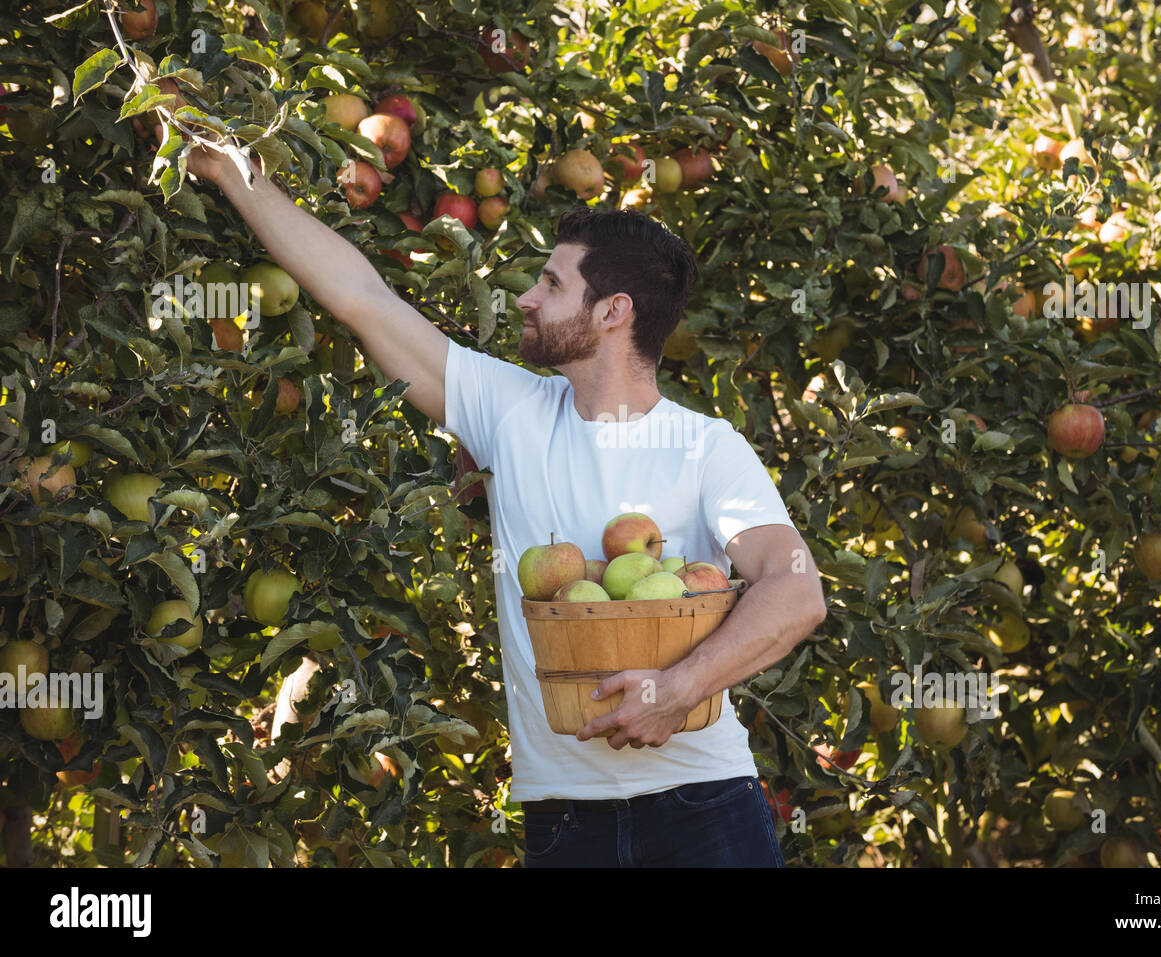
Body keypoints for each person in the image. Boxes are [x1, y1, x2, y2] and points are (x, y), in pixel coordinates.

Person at [186, 145, 827, 867]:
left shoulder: (705, 448)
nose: (527, 296)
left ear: (614, 312)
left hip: (702, 809)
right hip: (561, 823)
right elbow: (359, 296)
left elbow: (797, 588)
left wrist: (679, 688)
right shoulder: (510, 411)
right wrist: (234, 174)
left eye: (552, 284)